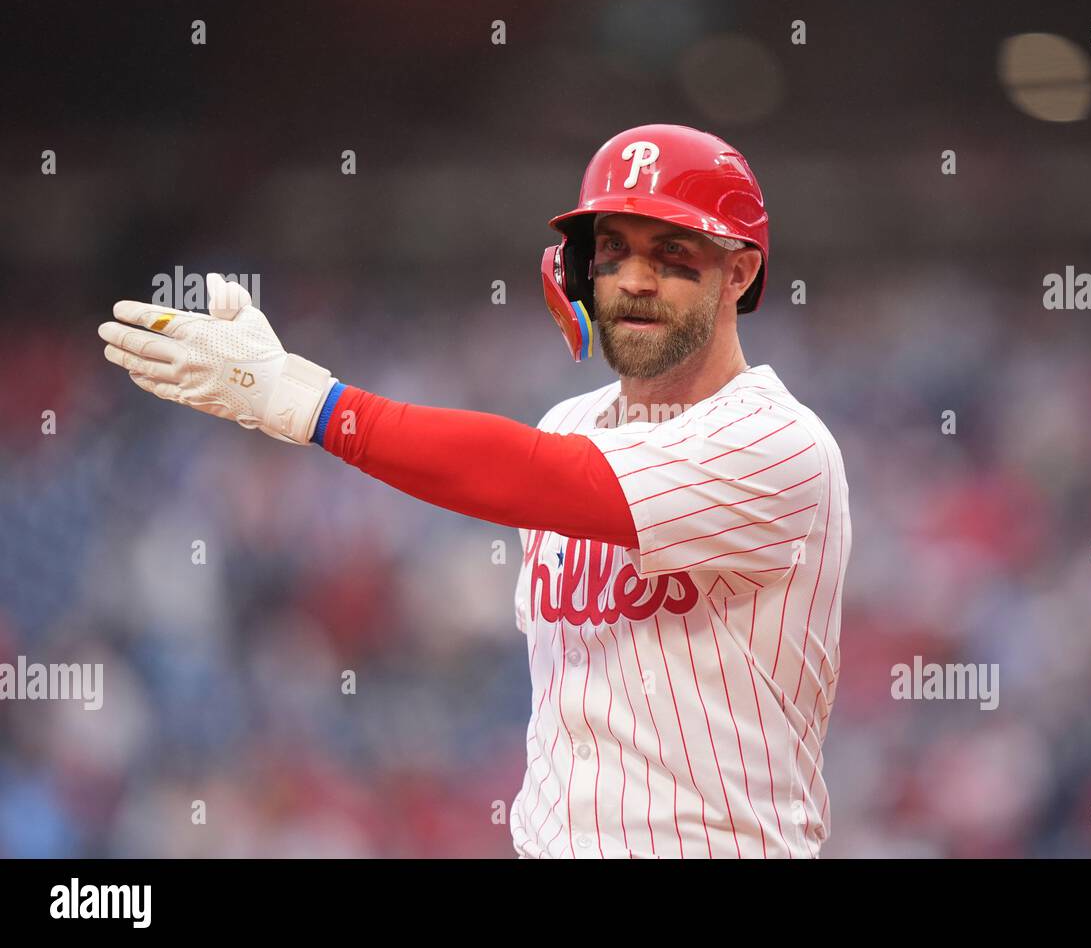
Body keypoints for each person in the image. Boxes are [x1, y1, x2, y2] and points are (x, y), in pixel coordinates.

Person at [98, 123, 852, 858]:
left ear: (741, 272)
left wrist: (321, 407)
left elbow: (536, 475)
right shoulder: (571, 421)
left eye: (672, 251)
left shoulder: (778, 444)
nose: (635, 279)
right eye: (612, 249)